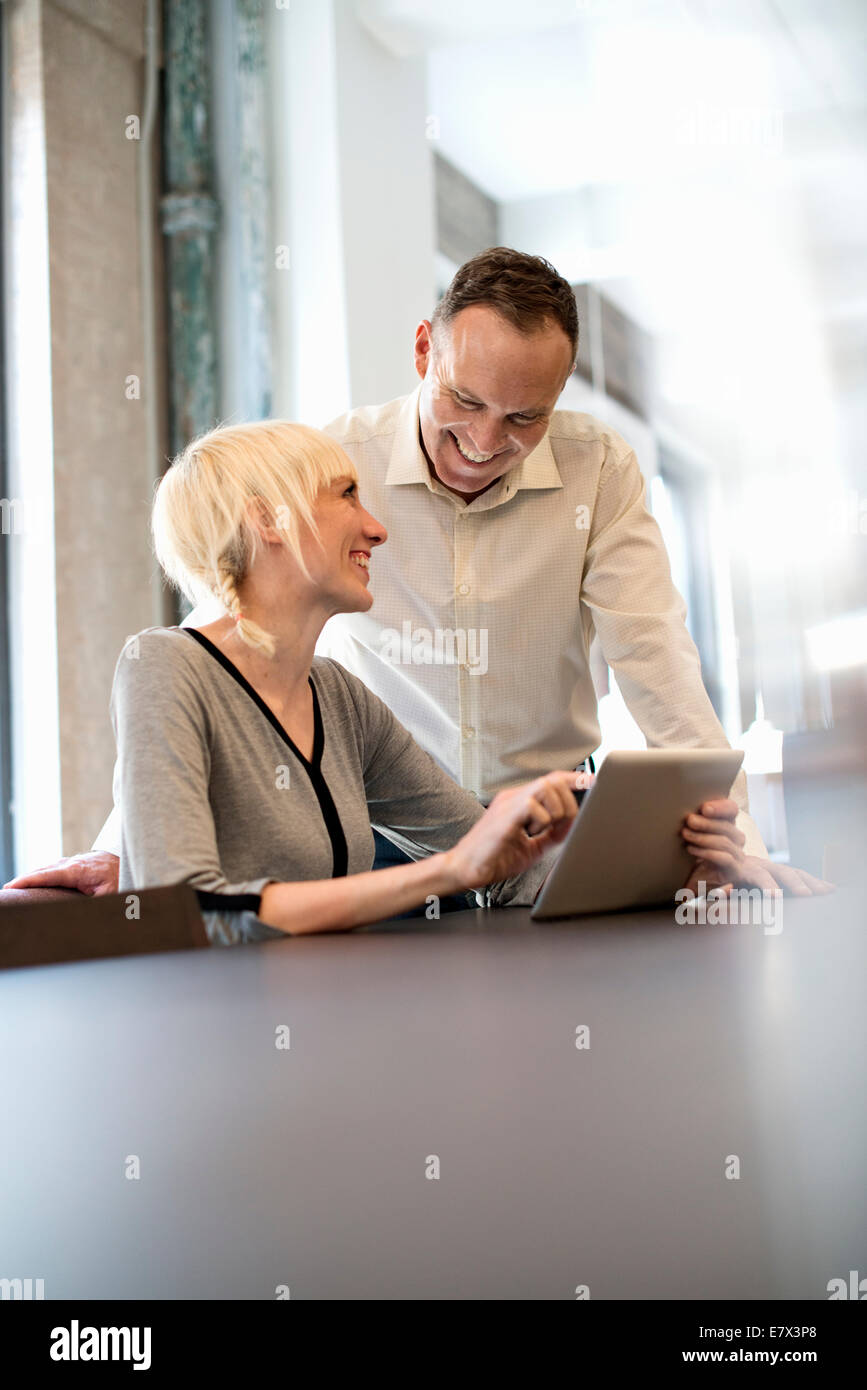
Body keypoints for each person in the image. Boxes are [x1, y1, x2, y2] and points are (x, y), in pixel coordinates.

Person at [6, 250, 830, 904]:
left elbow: (656, 660)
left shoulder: (597, 470)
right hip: (383, 837)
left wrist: (740, 849)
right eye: (464, 401)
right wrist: (131, 851)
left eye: (524, 418)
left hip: (542, 834)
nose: (484, 441)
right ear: (422, 351)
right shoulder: (331, 465)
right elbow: (222, 642)